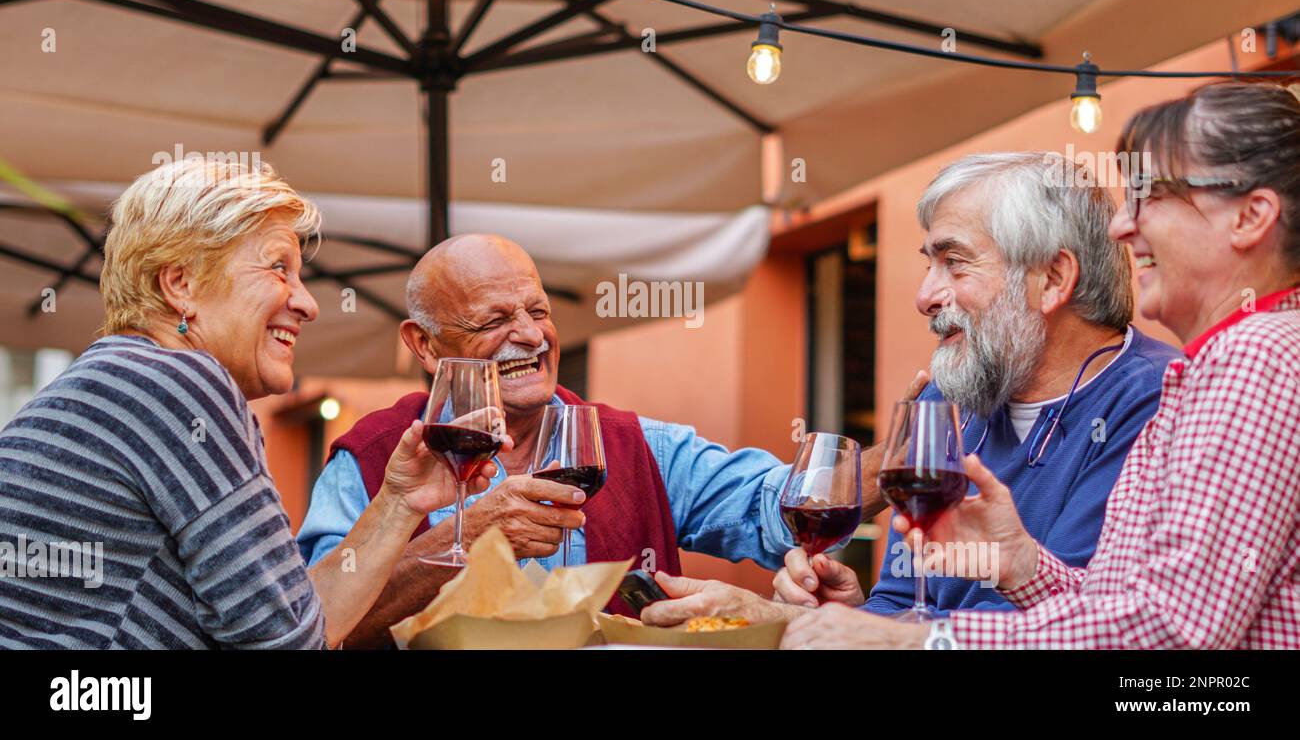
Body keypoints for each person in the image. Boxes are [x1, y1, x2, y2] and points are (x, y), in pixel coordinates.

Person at [782, 80, 1300, 649]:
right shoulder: (1221, 364)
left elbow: (1170, 631)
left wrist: (921, 643)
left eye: (1151, 196)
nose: (1123, 227)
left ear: (1251, 218)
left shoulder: (1253, 357)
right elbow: (1117, 613)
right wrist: (1021, 566)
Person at [640, 151, 1179, 627]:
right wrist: (848, 618)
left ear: (1054, 279)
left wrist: (784, 623)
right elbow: (903, 603)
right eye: (929, 264)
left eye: (954, 262)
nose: (925, 296)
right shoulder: (943, 404)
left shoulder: (1157, 398)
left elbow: (1074, 626)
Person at [0, 159, 495, 649]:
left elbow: (290, 620)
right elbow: (285, 645)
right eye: (279, 267)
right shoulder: (181, 385)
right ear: (181, 285)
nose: (308, 304)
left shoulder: (109, 383)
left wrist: (400, 502)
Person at [298, 233, 806, 647]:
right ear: (425, 345)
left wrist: (881, 468)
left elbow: (782, 506)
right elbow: (313, 629)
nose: (532, 335)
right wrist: (467, 537)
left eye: (538, 312)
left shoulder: (631, 444)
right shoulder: (372, 456)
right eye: (495, 320)